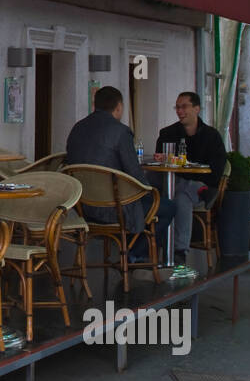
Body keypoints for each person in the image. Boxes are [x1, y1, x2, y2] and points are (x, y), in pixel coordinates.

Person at [65, 85, 176, 264]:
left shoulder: (77, 129)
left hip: (81, 207)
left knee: (152, 203)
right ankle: (135, 253)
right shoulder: (120, 131)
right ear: (118, 107)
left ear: (95, 105)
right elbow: (134, 172)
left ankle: (134, 252)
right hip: (115, 209)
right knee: (168, 207)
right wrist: (149, 190)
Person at [155, 91, 228, 258]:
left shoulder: (212, 136)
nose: (180, 111)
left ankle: (178, 251)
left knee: (181, 197)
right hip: (176, 185)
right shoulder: (167, 134)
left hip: (201, 185)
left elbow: (216, 171)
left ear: (197, 109)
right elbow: (160, 164)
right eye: (177, 107)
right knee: (176, 193)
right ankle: (179, 251)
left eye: (184, 107)